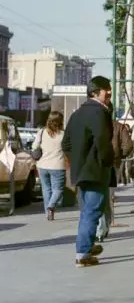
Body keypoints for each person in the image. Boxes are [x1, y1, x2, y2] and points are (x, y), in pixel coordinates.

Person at [62, 76, 114, 267]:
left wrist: (77, 160)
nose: (109, 92)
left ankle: (87, 245)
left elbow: (65, 143)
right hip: (95, 171)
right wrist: (107, 161)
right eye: (106, 89)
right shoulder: (99, 112)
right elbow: (102, 141)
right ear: (95, 92)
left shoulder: (77, 114)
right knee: (92, 211)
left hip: (80, 172)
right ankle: (83, 253)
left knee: (88, 210)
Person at [36, 111, 67, 221]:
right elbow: (68, 149)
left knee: (46, 189)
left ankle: (48, 213)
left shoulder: (42, 132)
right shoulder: (63, 134)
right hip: (58, 165)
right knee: (58, 189)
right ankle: (51, 206)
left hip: (42, 165)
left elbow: (35, 146)